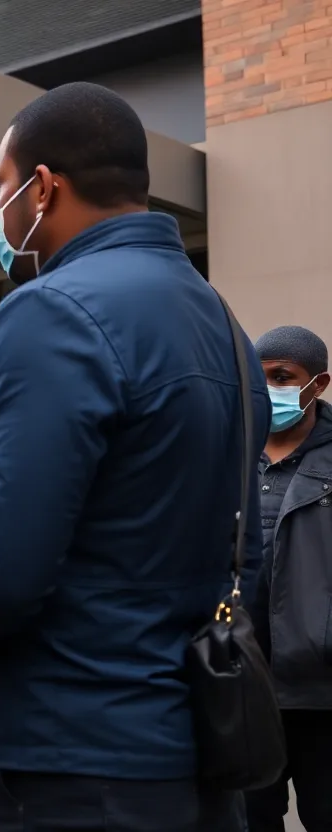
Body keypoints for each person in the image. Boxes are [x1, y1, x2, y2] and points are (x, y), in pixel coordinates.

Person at [0, 83, 269, 831]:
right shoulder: (224, 325)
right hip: (193, 741)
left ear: (44, 186)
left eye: (0, 186)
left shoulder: (47, 314)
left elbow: (2, 562)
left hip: (66, 759)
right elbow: (241, 552)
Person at [243, 325, 332, 832]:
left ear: (317, 383)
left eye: (282, 377)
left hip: (320, 688)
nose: (269, 388)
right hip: (241, 685)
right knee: (247, 818)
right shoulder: (231, 454)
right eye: (260, 378)